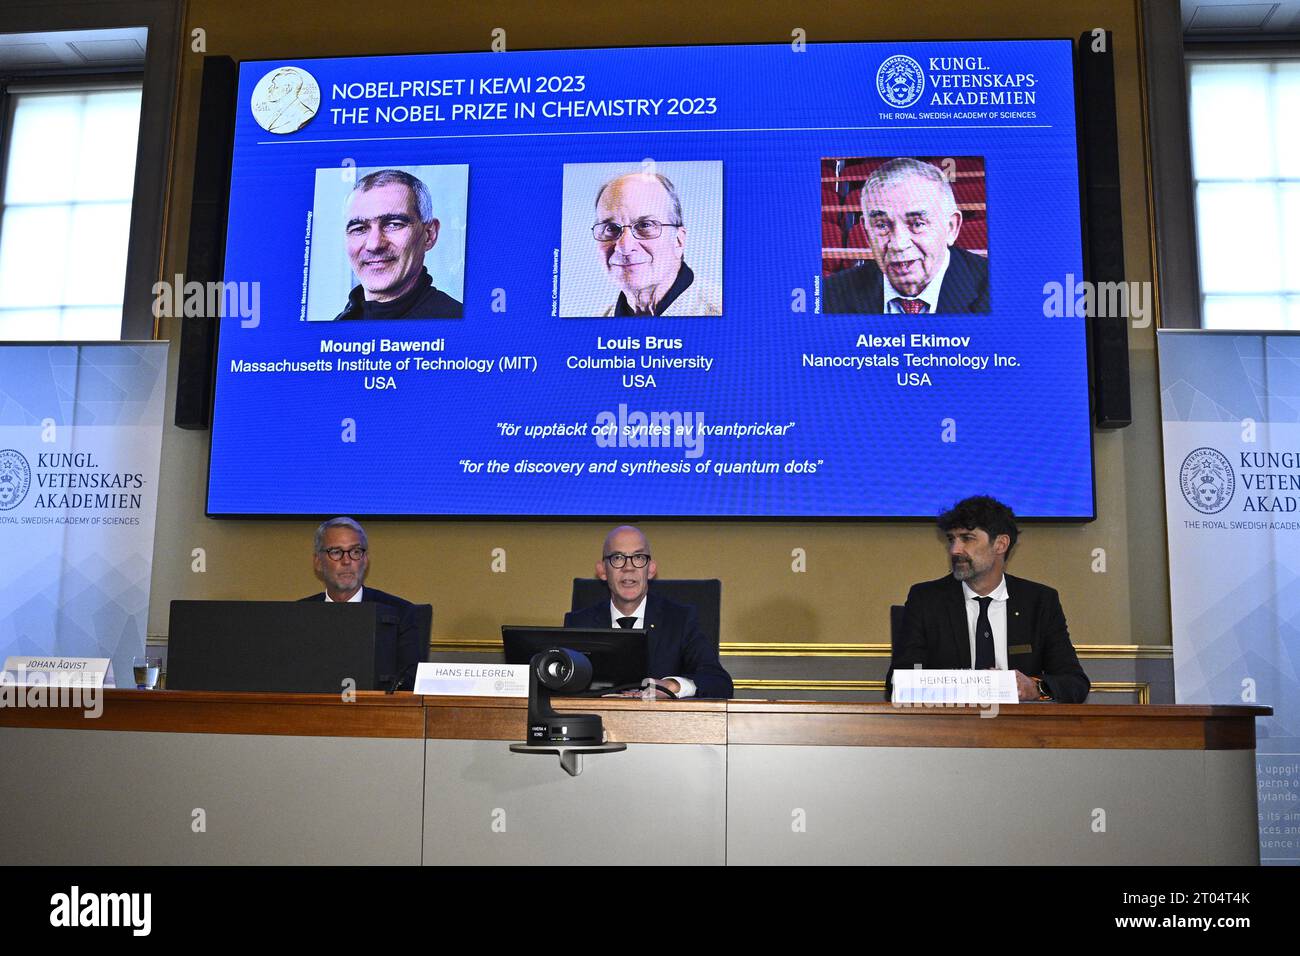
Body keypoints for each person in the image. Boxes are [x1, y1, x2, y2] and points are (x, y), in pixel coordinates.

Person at [889, 496, 1090, 702]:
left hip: (1020, 728)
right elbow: (898, 682)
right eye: (952, 539)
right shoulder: (926, 600)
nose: (954, 550)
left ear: (1001, 544)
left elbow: (1075, 683)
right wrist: (970, 687)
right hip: (949, 727)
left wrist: (1035, 687)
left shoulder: (1039, 602)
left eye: (967, 538)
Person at [564, 525, 733, 698]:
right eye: (617, 558)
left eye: (638, 557)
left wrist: (672, 686)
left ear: (651, 569)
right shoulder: (579, 623)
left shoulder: (680, 621)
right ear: (602, 571)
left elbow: (719, 682)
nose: (628, 567)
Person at [824, 157, 989, 315]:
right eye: (882, 225)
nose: (898, 244)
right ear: (867, 233)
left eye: (917, 224)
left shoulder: (999, 290)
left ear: (951, 227)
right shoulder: (830, 295)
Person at [300, 516, 427, 690]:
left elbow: (409, 687)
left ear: (365, 560)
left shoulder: (401, 614)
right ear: (318, 562)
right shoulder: (297, 615)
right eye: (336, 552)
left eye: (355, 552)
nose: (347, 561)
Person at [333, 169, 462, 320]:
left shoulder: (457, 322)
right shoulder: (335, 329)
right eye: (359, 229)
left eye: (393, 224)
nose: (374, 245)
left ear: (429, 234)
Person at [590, 172, 721, 317]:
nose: (624, 247)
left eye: (645, 225)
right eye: (611, 229)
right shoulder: (590, 326)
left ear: (679, 240)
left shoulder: (726, 315)